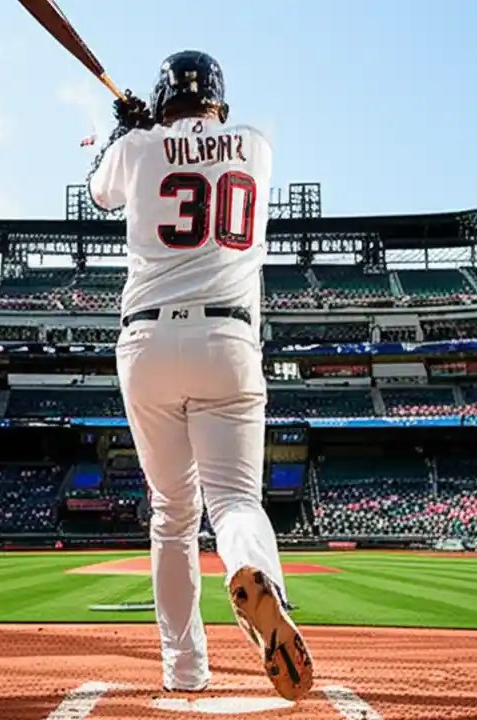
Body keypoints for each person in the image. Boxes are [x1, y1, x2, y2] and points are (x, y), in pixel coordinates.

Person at [88, 50, 312, 701]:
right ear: (222, 99)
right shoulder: (256, 144)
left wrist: (125, 130)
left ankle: (184, 670)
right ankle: (253, 572)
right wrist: (150, 128)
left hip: (148, 340)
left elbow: (101, 192)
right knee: (236, 502)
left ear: (160, 100)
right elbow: (199, 146)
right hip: (228, 337)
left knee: (172, 516)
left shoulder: (137, 145)